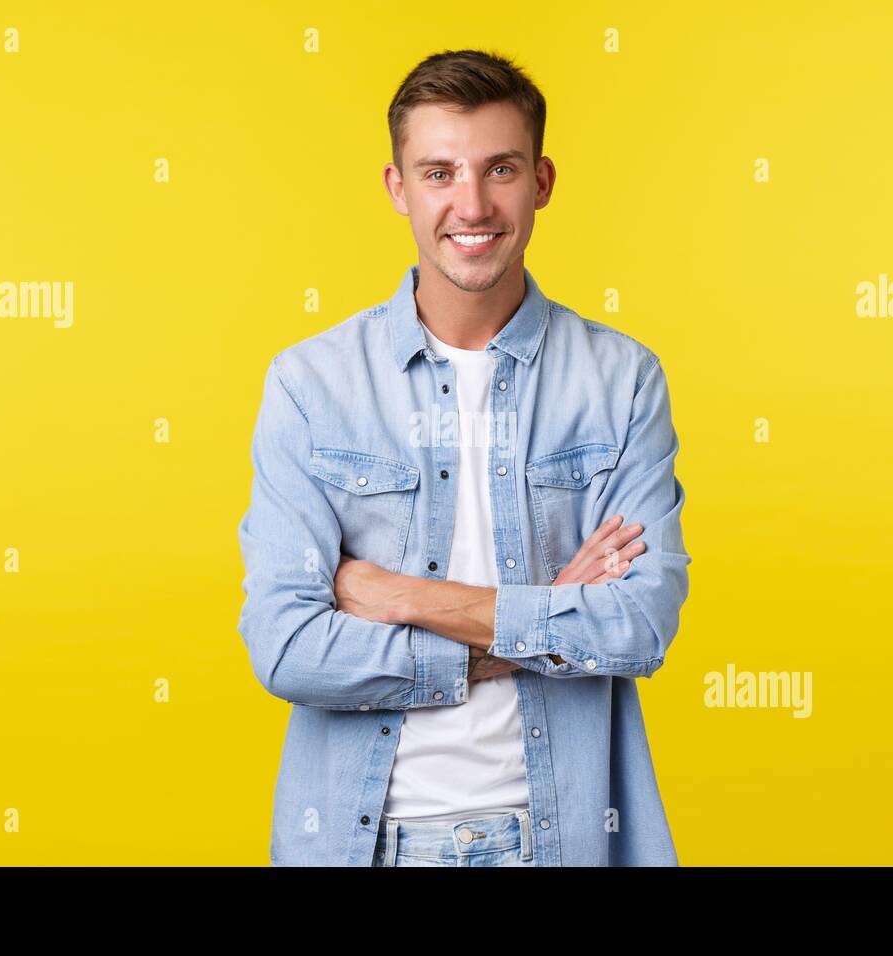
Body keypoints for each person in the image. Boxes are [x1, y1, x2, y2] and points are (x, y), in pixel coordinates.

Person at [237, 48, 691, 867]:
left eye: (500, 169)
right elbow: (285, 644)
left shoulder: (622, 381)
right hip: (365, 848)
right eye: (439, 172)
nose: (471, 204)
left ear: (542, 181)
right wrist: (542, 620)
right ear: (398, 188)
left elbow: (637, 625)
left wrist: (396, 595)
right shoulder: (310, 384)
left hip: (562, 841)